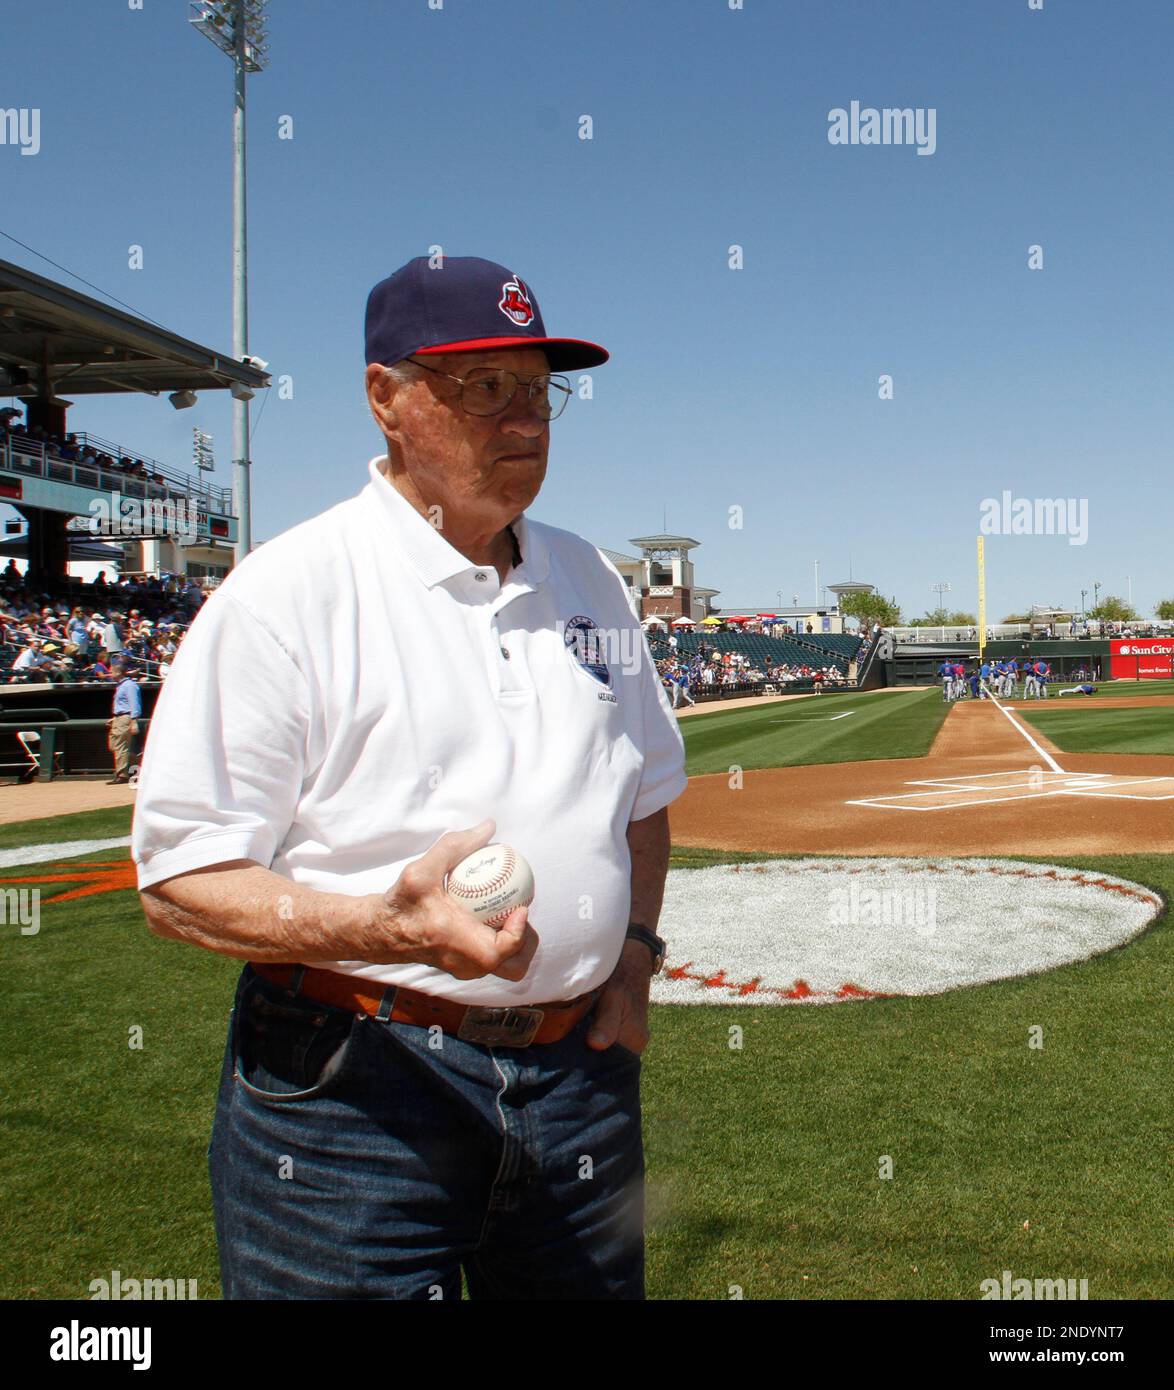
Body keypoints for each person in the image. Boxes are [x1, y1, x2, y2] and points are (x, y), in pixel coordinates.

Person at [131, 255, 688, 1301]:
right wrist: (388, 931)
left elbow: (644, 802)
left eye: (540, 391)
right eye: (485, 389)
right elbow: (179, 883)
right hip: (356, 1093)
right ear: (387, 398)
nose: (525, 421)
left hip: (581, 1081)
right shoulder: (284, 596)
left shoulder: (591, 580)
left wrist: (634, 958)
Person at [105, 654, 141, 783]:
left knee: (121, 747)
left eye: (111, 671)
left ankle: (122, 775)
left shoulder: (129, 685)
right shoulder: (121, 685)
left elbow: (134, 704)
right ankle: (141, 766)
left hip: (125, 718)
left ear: (118, 672)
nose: (109, 674)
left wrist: (133, 720)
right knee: (115, 746)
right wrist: (114, 718)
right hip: (118, 718)